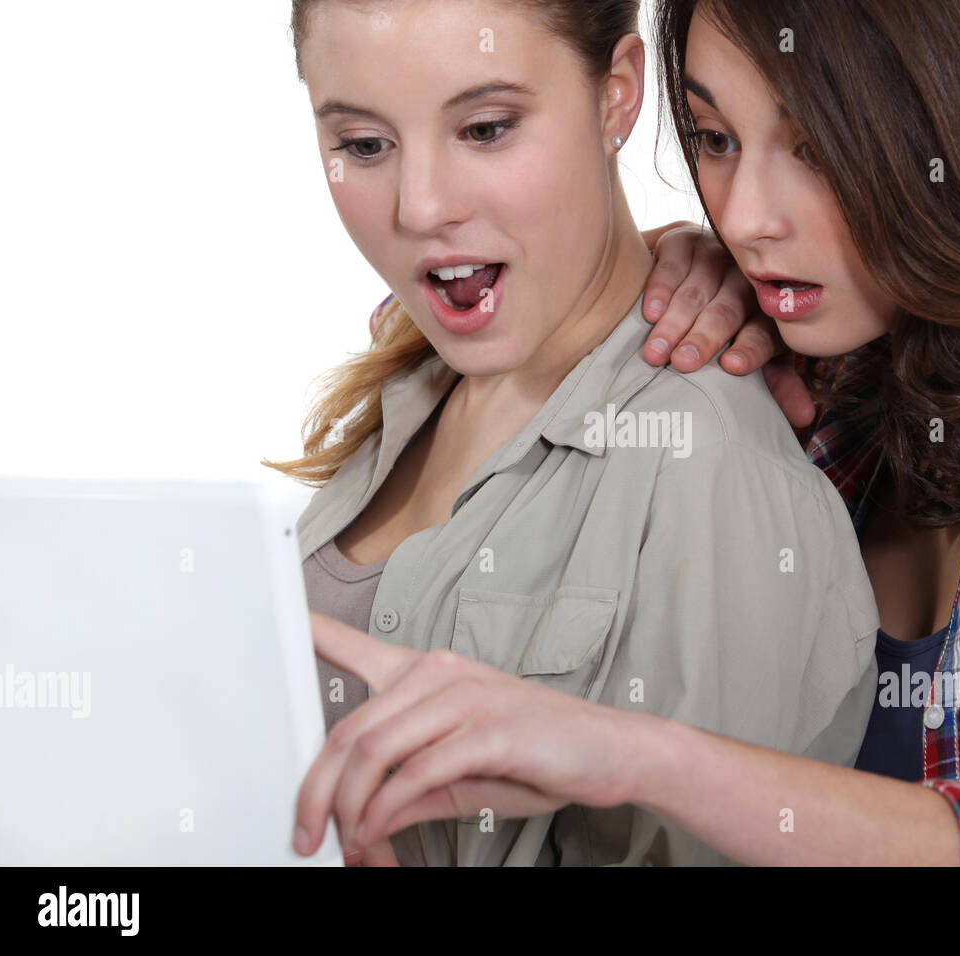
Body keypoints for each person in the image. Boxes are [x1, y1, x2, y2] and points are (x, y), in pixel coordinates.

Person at [293, 0, 960, 866]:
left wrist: (639, 753)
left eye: (814, 146)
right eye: (715, 138)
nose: (747, 219)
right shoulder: (809, 334)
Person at [269, 0, 881, 866]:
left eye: (484, 128)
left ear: (616, 98)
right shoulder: (412, 382)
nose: (421, 207)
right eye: (366, 145)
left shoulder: (699, 460)